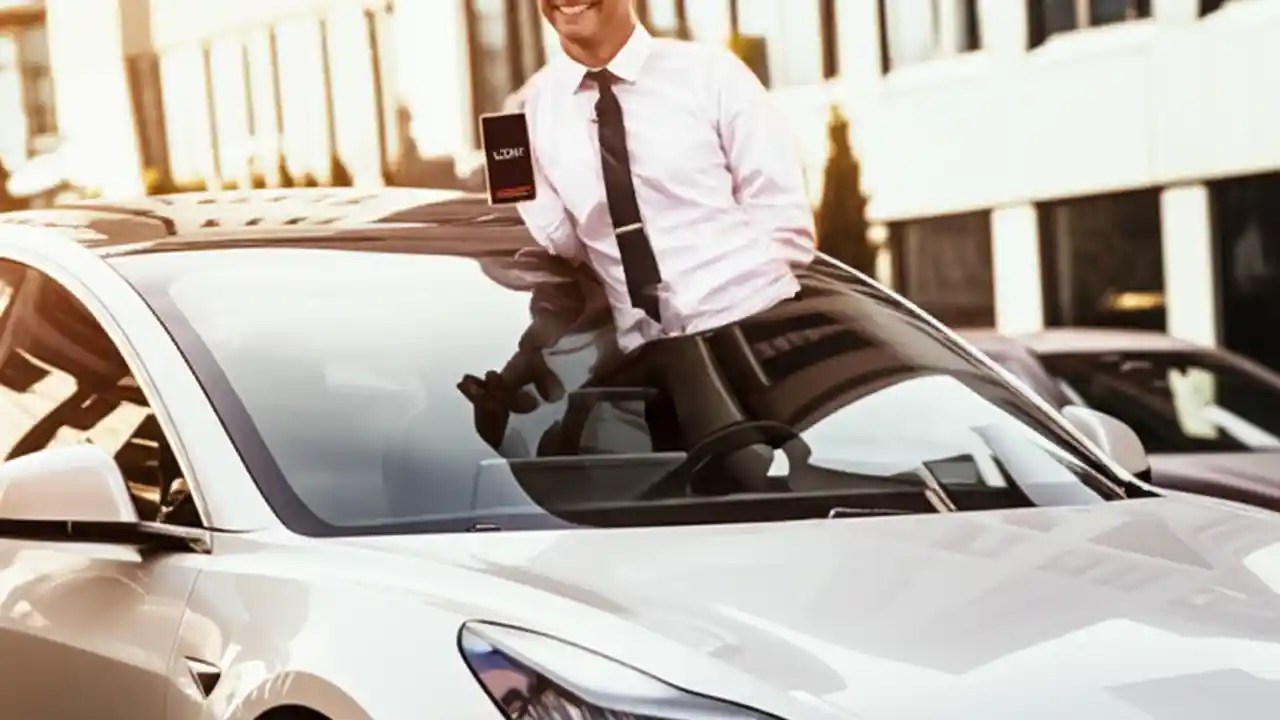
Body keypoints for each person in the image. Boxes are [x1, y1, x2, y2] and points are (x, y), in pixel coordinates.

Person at [519, 0, 817, 354]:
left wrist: (748, 306)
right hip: (647, 364)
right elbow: (558, 247)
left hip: (759, 328)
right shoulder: (524, 116)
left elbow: (783, 215)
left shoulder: (713, 74)